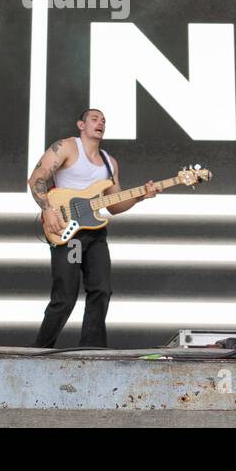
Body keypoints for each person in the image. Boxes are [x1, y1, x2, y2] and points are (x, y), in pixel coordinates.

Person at [28, 108, 161, 348]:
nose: (100, 122)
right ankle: (39, 351)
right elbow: (37, 178)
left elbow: (115, 205)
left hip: (95, 233)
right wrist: (47, 209)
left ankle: (92, 351)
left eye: (104, 120)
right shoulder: (67, 147)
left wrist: (142, 195)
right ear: (81, 124)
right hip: (69, 232)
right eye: (94, 118)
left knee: (101, 290)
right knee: (65, 297)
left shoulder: (109, 164)